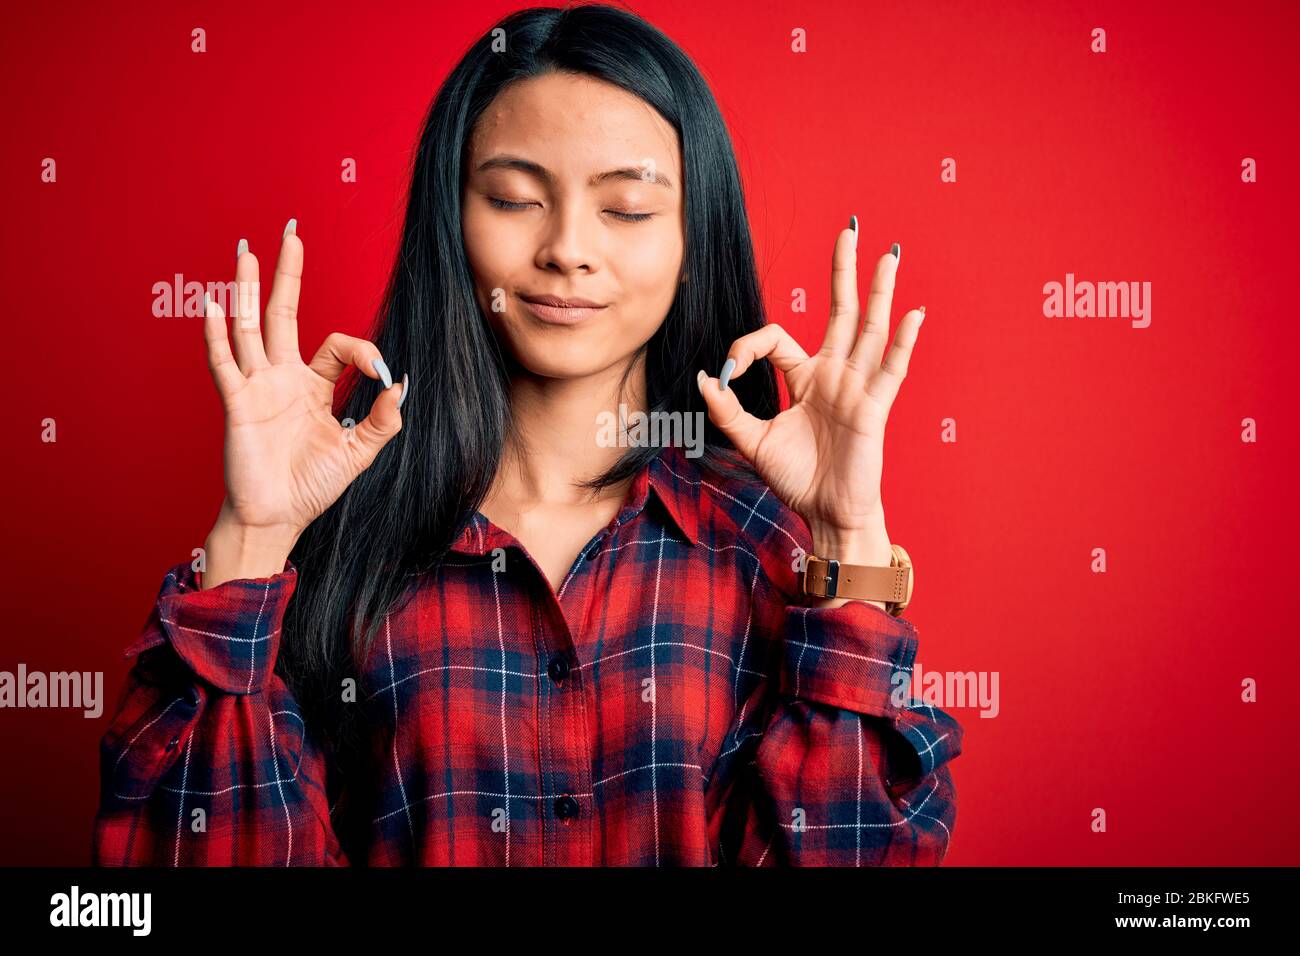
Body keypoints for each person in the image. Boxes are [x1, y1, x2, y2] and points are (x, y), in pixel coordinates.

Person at [92, 3, 961, 866]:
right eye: (513, 198)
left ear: (695, 240)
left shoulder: (764, 544)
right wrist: (254, 532)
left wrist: (849, 533)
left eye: (626, 209)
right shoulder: (333, 540)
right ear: (451, 222)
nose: (567, 249)